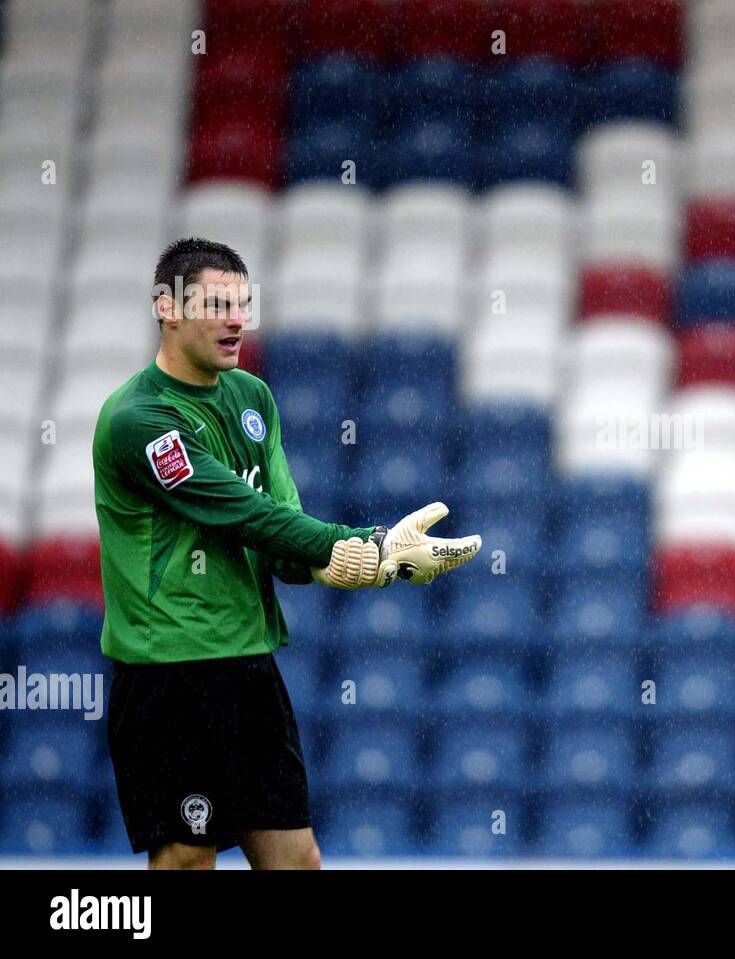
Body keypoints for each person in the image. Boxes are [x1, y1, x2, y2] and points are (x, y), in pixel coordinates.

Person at [92, 237, 481, 869]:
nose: (236, 319)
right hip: (170, 674)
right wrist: (371, 543)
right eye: (217, 304)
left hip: (250, 666)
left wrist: (371, 568)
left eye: (243, 304)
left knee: (297, 861)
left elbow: (284, 537)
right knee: (186, 860)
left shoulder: (253, 399)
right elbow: (241, 512)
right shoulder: (138, 418)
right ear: (166, 307)